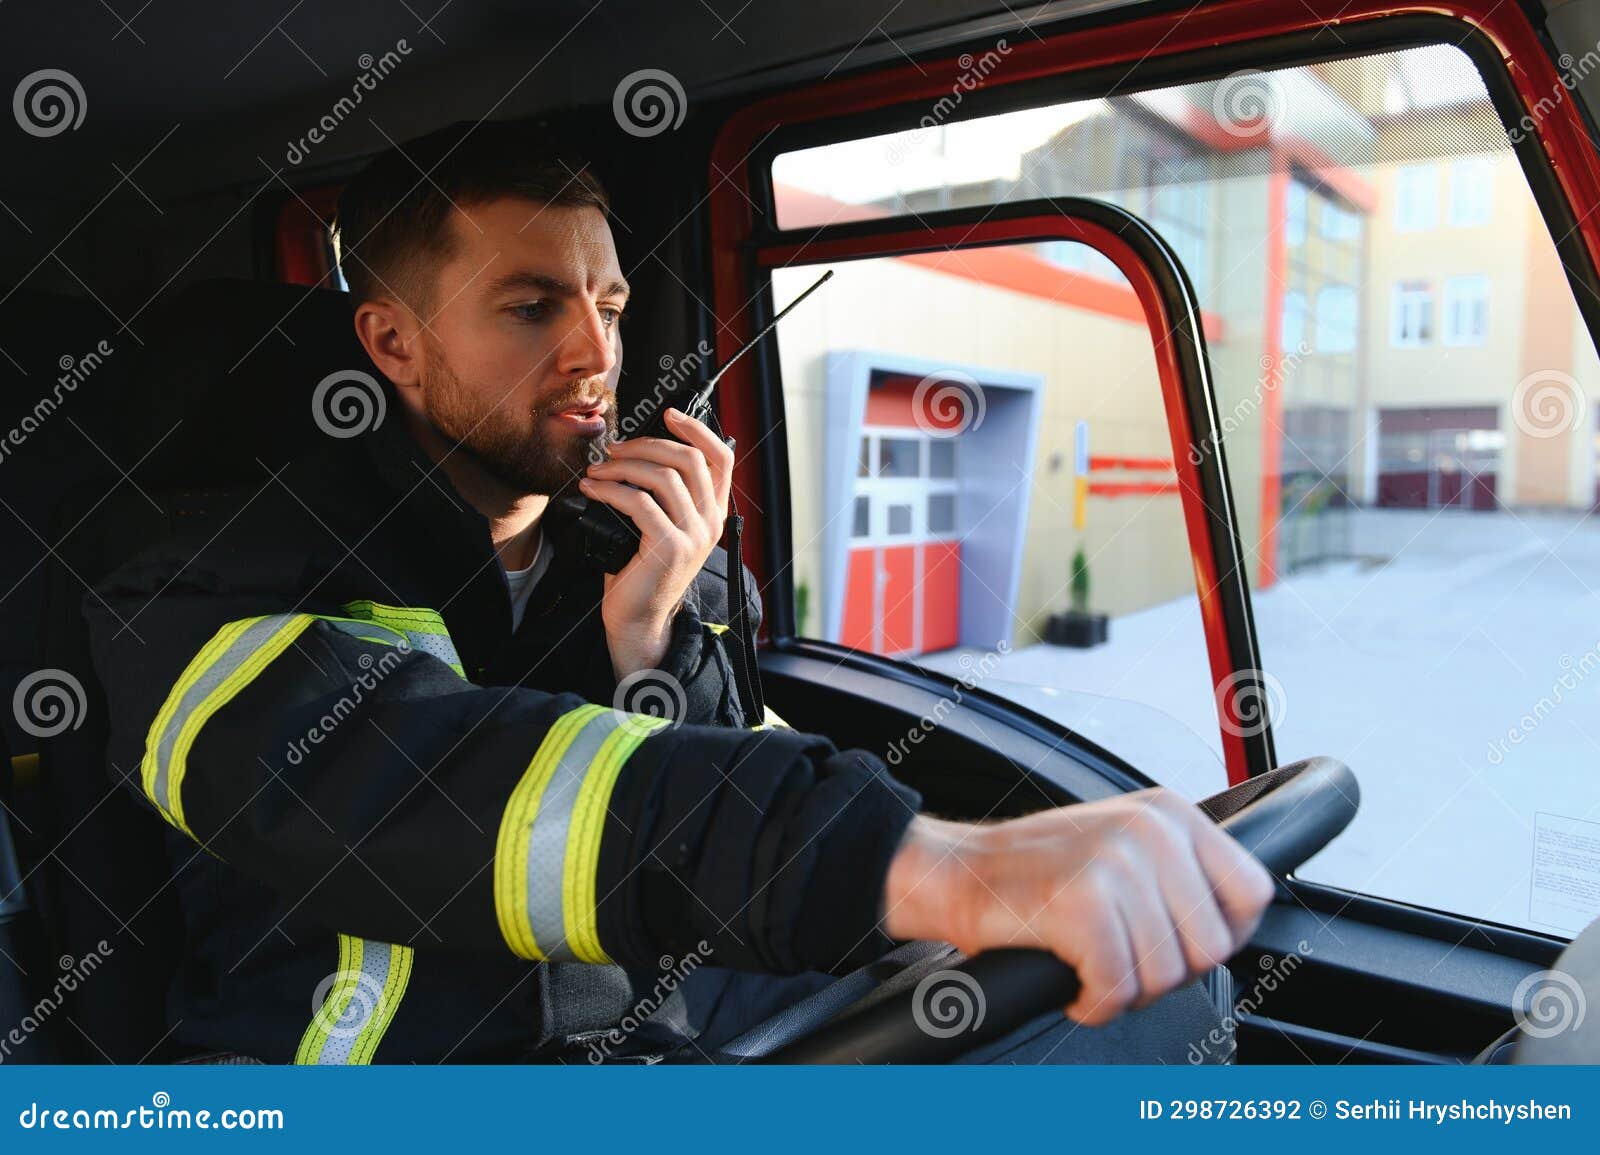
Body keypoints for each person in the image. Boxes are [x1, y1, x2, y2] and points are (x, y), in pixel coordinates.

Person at [86, 120, 1272, 1064]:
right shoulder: (210, 579)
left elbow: (705, 848)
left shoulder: (638, 552)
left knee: (1148, 1012)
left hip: (660, 1051)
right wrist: (927, 865)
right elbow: (421, 789)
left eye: (605, 307)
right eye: (531, 306)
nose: (597, 356)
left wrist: (653, 639)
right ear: (393, 345)